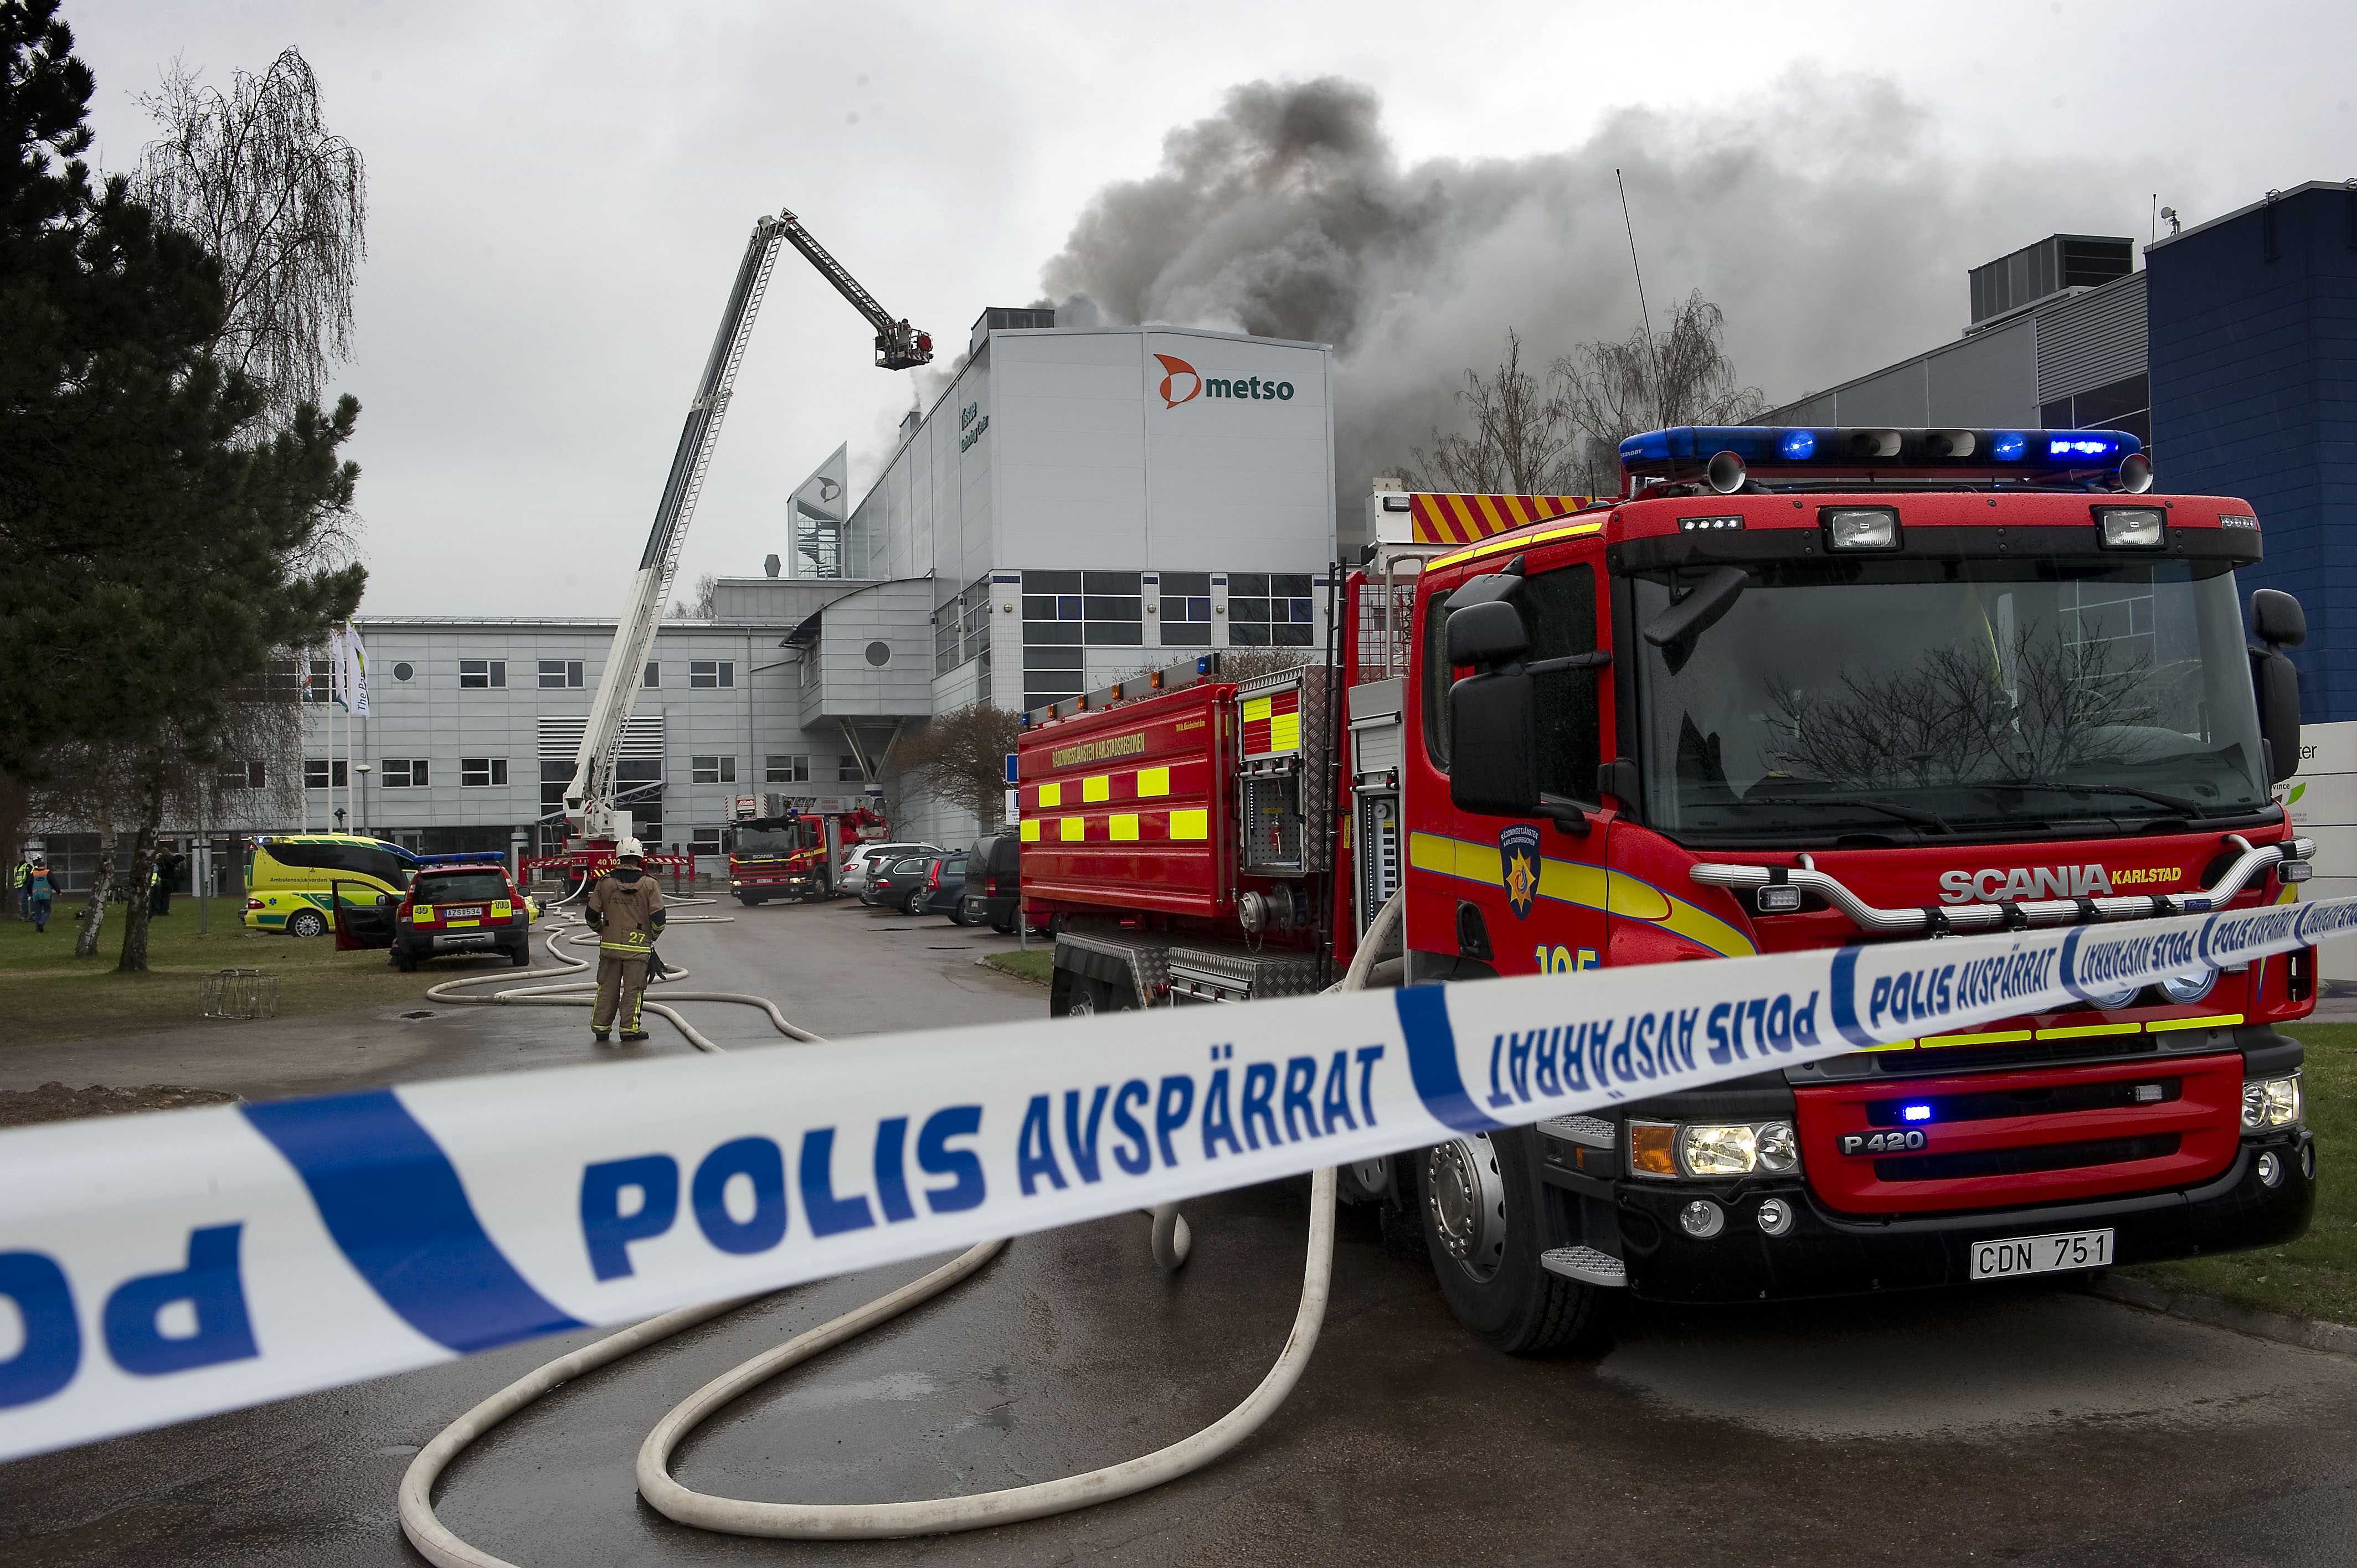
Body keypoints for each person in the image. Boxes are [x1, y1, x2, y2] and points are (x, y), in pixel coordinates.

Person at [583, 837, 666, 1044]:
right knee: (634, 989)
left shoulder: (605, 883)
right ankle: (629, 1030)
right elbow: (659, 920)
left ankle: (601, 1028)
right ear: (640, 858)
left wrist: (602, 931)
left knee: (607, 987)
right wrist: (651, 937)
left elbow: (591, 916)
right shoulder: (650, 885)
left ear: (618, 857)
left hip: (610, 947)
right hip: (637, 948)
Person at [24, 855, 57, 933]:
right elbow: (54, 882)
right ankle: (41, 922)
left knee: (37, 912)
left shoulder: (34, 874)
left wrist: (30, 893)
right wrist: (58, 891)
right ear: (44, 866)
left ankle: (38, 929)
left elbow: (29, 885)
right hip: (46, 894)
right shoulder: (48, 873)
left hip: (35, 894)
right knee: (47, 910)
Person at [150, 848, 182, 916]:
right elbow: (181, 857)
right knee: (166, 897)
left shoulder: (159, 861)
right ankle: (164, 911)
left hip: (162, 880)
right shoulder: (171, 860)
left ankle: (158, 910)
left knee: (160, 896)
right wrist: (172, 854)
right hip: (169, 880)